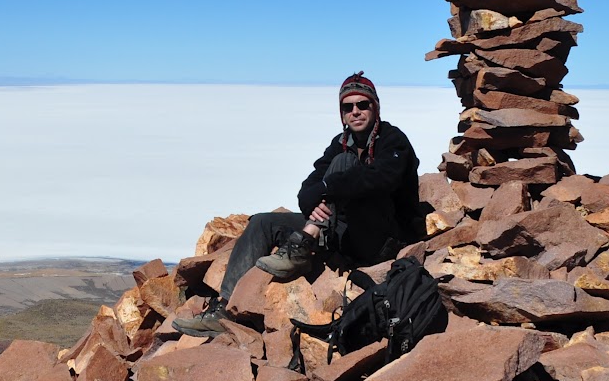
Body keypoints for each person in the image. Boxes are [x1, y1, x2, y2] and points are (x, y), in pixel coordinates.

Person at [173, 71, 423, 338]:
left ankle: (304, 243)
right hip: (343, 232)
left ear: (376, 107)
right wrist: (316, 200)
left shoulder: (393, 140)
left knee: (344, 167)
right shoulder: (340, 144)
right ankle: (225, 309)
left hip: (380, 239)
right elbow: (308, 190)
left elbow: (381, 179)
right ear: (341, 114)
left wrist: (327, 189)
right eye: (348, 107)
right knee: (263, 222)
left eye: (363, 105)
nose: (356, 112)